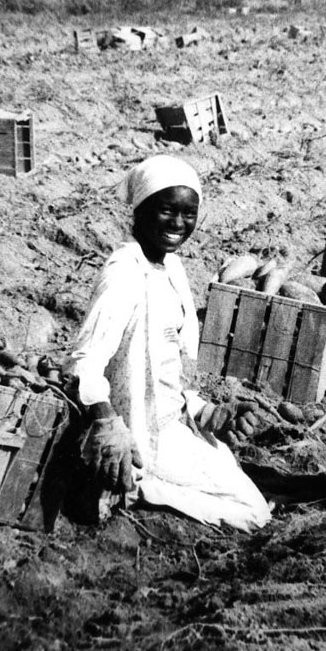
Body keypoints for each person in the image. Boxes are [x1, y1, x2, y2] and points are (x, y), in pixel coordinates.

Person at [64, 155, 272, 531]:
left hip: (173, 422)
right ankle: (136, 487)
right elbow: (83, 363)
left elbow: (167, 373)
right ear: (141, 209)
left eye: (188, 214)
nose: (178, 224)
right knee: (253, 514)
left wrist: (210, 414)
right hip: (138, 435)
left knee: (234, 476)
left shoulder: (171, 268)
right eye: (166, 211)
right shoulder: (124, 273)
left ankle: (144, 484)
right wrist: (105, 422)